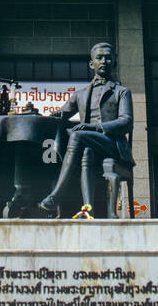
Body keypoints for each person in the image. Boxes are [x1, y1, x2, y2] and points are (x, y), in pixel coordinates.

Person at [38, 42, 134, 219]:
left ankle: (56, 196)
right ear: (92, 64)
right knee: (86, 152)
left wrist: (96, 127)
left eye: (108, 57)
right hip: (90, 145)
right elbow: (62, 114)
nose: (104, 61)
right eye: (99, 57)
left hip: (113, 144)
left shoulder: (122, 92)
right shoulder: (81, 93)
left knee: (77, 136)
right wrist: (41, 117)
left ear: (113, 62)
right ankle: (88, 209)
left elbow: (126, 122)